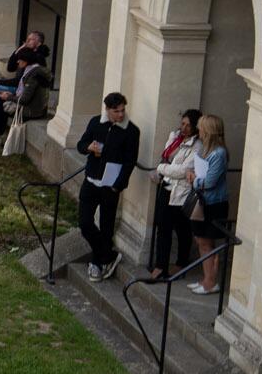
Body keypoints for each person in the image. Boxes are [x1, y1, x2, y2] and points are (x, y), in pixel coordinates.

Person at [75, 92, 140, 282]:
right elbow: (81, 144)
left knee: (106, 226)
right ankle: (108, 255)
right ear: (107, 110)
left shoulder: (131, 131)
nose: (120, 114)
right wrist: (89, 148)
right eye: (116, 111)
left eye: (122, 110)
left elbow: (130, 162)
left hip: (110, 186)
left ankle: (97, 263)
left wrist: (117, 186)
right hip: (91, 182)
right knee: (85, 223)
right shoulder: (96, 123)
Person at [148, 110, 201, 283]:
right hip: (166, 188)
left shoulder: (197, 145)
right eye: (182, 123)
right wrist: (165, 167)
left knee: (182, 229)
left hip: (180, 193)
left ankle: (181, 263)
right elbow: (166, 156)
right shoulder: (176, 138)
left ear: (196, 127)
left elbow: (183, 170)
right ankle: (160, 265)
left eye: (188, 125)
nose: (184, 128)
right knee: (163, 227)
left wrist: (161, 169)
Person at [186, 113, 231, 296]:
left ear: (209, 130)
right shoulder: (205, 149)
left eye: (201, 127)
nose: (199, 130)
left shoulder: (219, 153)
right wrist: (193, 174)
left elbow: (210, 182)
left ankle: (210, 281)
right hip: (203, 201)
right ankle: (207, 279)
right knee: (201, 240)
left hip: (213, 203)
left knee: (206, 242)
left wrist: (194, 180)